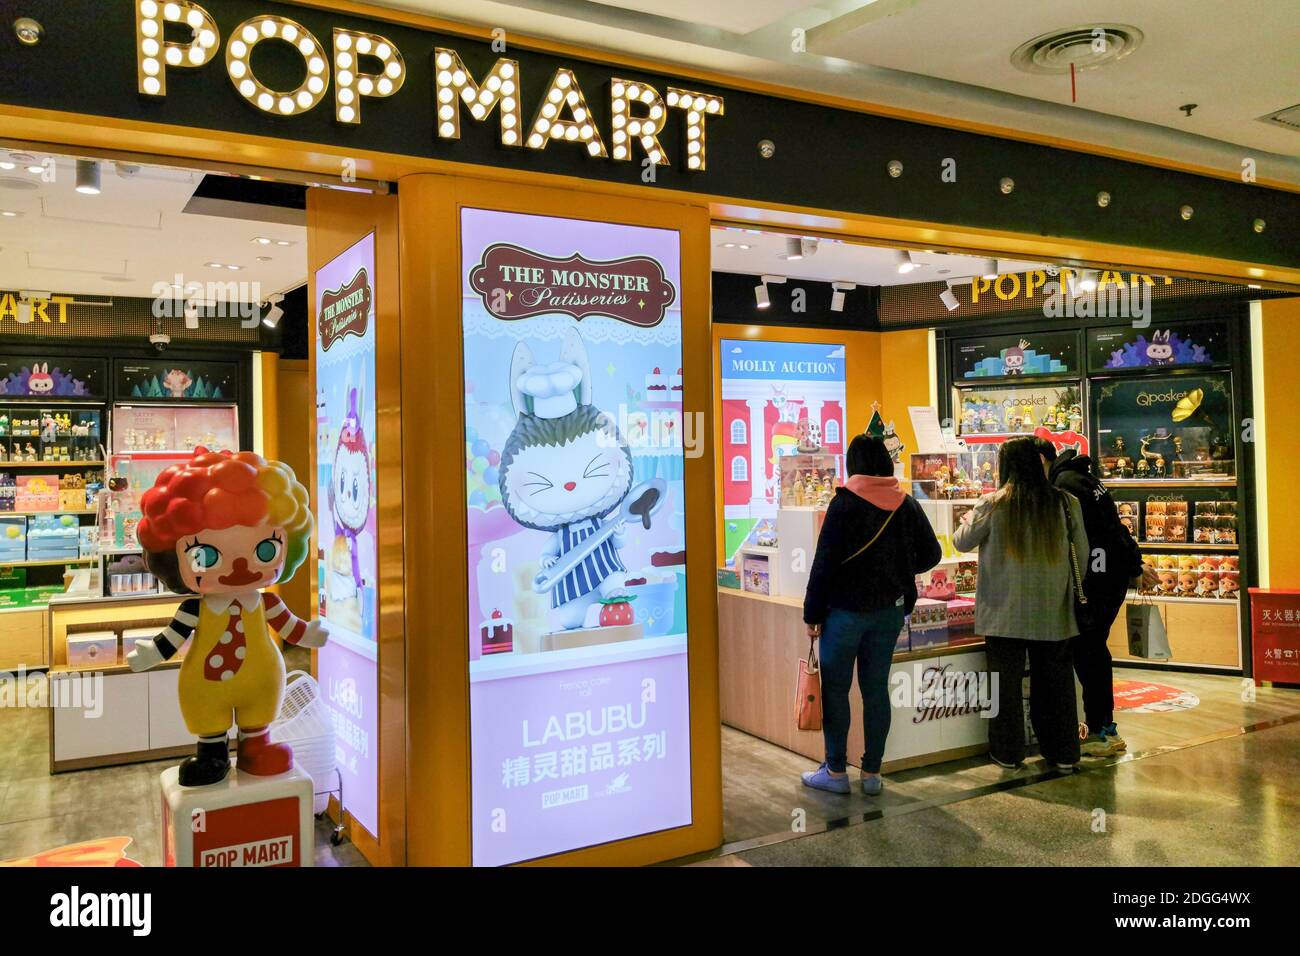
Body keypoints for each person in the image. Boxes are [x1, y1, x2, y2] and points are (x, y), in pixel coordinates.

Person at [801, 435, 942, 796]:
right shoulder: (905, 504)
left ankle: (835, 772)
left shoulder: (844, 504)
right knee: (876, 690)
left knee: (836, 691)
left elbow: (824, 564)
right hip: (888, 612)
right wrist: (898, 571)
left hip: (844, 614)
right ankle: (872, 774)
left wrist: (812, 613)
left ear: (853, 464)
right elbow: (932, 553)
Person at [953, 436, 1088, 771]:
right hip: (1053, 611)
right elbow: (1081, 554)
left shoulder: (993, 503)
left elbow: (961, 542)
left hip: (1003, 612)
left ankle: (1008, 753)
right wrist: (1067, 586)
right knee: (1056, 685)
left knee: (1004, 689)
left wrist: (967, 516)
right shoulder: (1065, 503)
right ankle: (1063, 753)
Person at [1035, 438, 1154, 756]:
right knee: (1095, 651)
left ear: (1042, 461)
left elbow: (1079, 536)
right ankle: (1106, 729)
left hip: (1093, 581)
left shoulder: (1064, 484)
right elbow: (1114, 527)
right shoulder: (1084, 477)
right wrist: (1135, 562)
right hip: (1110, 577)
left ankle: (1099, 731)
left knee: (1087, 652)